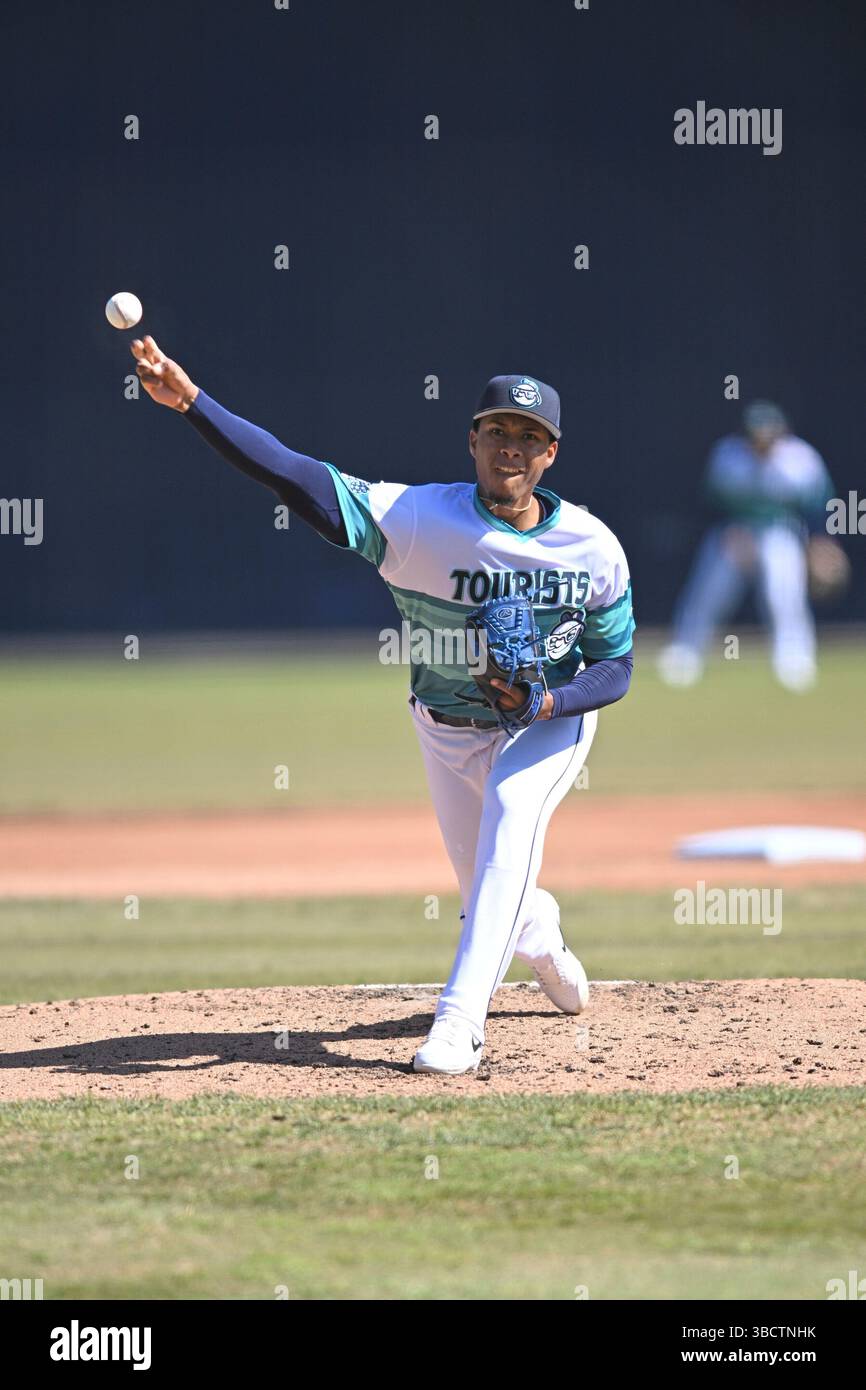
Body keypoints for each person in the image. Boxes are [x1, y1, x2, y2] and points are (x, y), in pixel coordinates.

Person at [132, 340, 635, 1075]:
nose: (511, 448)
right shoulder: (417, 518)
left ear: (551, 453)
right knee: (490, 881)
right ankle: (540, 936)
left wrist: (550, 699)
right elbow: (291, 472)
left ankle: (459, 1024)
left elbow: (617, 665)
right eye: (498, 430)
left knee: (513, 814)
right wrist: (193, 404)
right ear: (472, 439)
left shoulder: (591, 547)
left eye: (529, 437)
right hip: (444, 727)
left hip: (547, 723)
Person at [658, 401, 844, 691]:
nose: (761, 441)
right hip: (735, 531)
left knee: (782, 595)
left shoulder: (800, 459)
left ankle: (794, 660)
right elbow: (708, 503)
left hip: (780, 531)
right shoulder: (728, 455)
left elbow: (819, 504)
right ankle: (686, 654)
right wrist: (731, 530)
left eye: (768, 435)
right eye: (756, 435)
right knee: (708, 592)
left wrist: (821, 541)